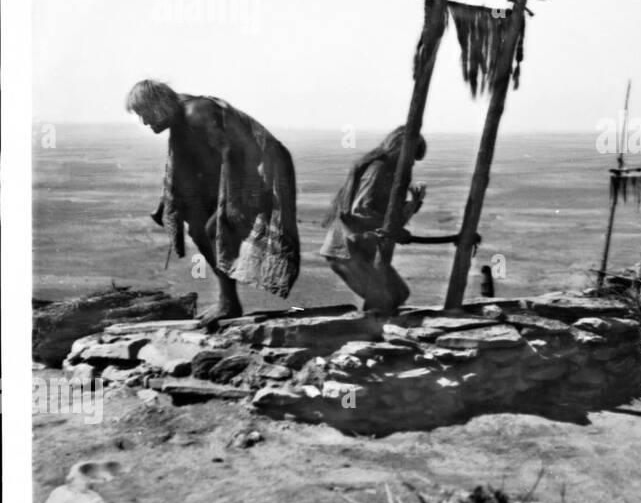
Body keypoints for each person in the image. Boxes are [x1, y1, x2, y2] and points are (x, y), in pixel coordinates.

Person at [127, 79, 300, 323]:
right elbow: (184, 164)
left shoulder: (196, 111)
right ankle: (228, 301)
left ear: (157, 105)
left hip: (260, 167)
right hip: (236, 169)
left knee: (214, 229)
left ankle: (228, 303)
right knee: (198, 228)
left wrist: (233, 202)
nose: (145, 122)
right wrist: (166, 204)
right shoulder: (181, 116)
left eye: (145, 114)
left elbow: (232, 151)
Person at [320, 127, 458, 313]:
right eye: (411, 158)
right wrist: (393, 229)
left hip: (359, 250)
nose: (412, 164)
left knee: (398, 293)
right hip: (344, 250)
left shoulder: (389, 173)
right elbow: (360, 210)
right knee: (383, 299)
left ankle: (371, 333)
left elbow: (392, 219)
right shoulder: (378, 169)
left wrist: (413, 204)